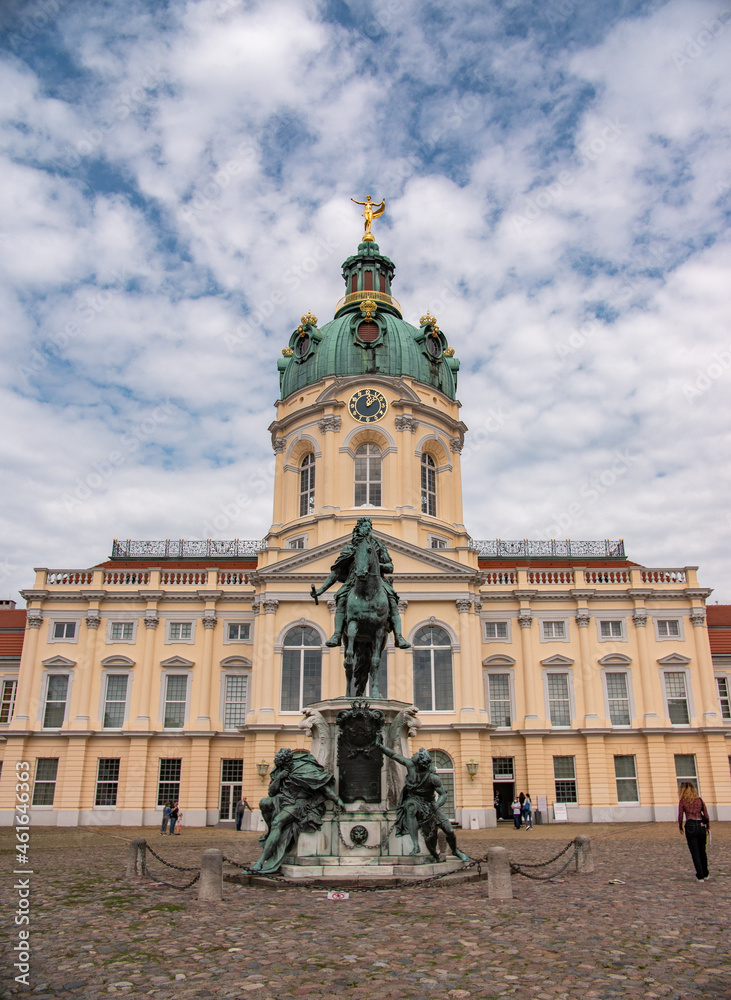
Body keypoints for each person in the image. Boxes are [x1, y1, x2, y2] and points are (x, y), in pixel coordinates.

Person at [311, 517, 411, 649]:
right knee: (341, 598)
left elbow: (390, 567)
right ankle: (337, 634)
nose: (368, 529)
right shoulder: (350, 547)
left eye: (369, 527)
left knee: (392, 599)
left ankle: (399, 637)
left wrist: (375, 564)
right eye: (364, 527)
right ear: (358, 529)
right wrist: (321, 590)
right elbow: (336, 572)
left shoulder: (379, 546)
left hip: (377, 580)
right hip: (353, 581)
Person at [251, 749, 343, 874]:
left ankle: (261, 860)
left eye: (283, 764)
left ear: (288, 760)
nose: (281, 767)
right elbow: (271, 792)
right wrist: (279, 777)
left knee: (278, 822)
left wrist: (337, 800)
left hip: (299, 802)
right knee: (264, 802)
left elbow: (323, 787)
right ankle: (270, 834)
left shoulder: (304, 768)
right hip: (283, 798)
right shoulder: (281, 770)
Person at [376, 743, 469, 862]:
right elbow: (393, 755)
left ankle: (455, 851)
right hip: (414, 800)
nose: (413, 755)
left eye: (416, 754)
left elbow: (443, 795)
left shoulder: (432, 777)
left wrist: (437, 805)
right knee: (411, 808)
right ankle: (416, 845)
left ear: (420, 761)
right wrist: (379, 745)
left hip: (430, 803)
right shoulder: (410, 765)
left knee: (449, 830)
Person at [678, 782, 710, 880]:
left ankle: (700, 875)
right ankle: (705, 873)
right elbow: (706, 814)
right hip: (700, 825)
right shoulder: (699, 800)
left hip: (690, 825)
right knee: (702, 851)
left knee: (695, 852)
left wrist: (680, 826)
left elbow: (680, 815)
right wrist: (708, 827)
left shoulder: (683, 801)